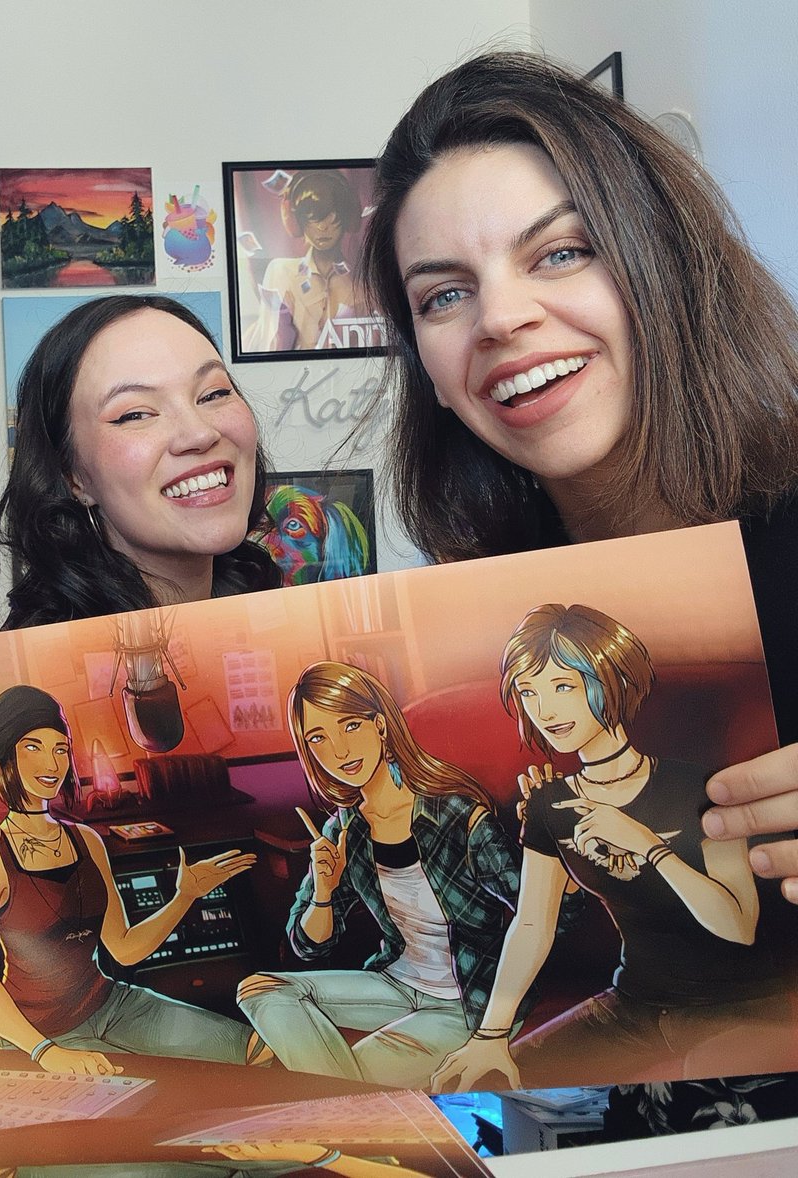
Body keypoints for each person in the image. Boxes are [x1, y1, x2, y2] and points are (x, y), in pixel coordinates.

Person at [358, 49, 798, 1134]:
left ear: (659, 261)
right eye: (445, 294)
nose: (500, 318)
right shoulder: (502, 605)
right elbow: (526, 932)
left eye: (560, 251)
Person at [0, 293, 278, 1140]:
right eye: (136, 412)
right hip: (8, 1093)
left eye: (214, 392)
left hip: (154, 1018)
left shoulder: (271, 630)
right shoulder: (12, 679)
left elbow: (124, 948)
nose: (197, 432)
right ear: (72, 477)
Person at [433, 604, 792, 1091]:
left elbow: (738, 925)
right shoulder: (549, 805)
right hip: (631, 1007)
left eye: (563, 686)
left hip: (738, 1005)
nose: (545, 710)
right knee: (490, 1081)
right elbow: (533, 923)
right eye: (529, 691)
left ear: (612, 680)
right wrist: (490, 1036)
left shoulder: (697, 787)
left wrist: (647, 844)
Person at [235, 660, 538, 1089]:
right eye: (318, 737)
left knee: (345, 1076)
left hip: (467, 999)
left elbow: (549, 914)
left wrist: (543, 837)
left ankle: (332, 1094)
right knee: (259, 989)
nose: (339, 750)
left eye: (350, 726)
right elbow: (308, 946)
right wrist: (324, 892)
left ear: (379, 725)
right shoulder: (345, 828)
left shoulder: (456, 815)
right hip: (394, 983)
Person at [0, 683, 260, 1077]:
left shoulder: (87, 840)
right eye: (33, 746)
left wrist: (184, 896)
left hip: (114, 1005)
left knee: (255, 1050)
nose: (51, 763)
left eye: (60, 749)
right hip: (38, 1036)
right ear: (4, 755)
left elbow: (125, 948)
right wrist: (45, 1052)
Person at [249, 169, 362, 352]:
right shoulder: (281, 271)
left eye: (332, 217)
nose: (323, 227)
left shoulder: (361, 284)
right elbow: (268, 347)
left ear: (346, 218)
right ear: (297, 221)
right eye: (312, 217)